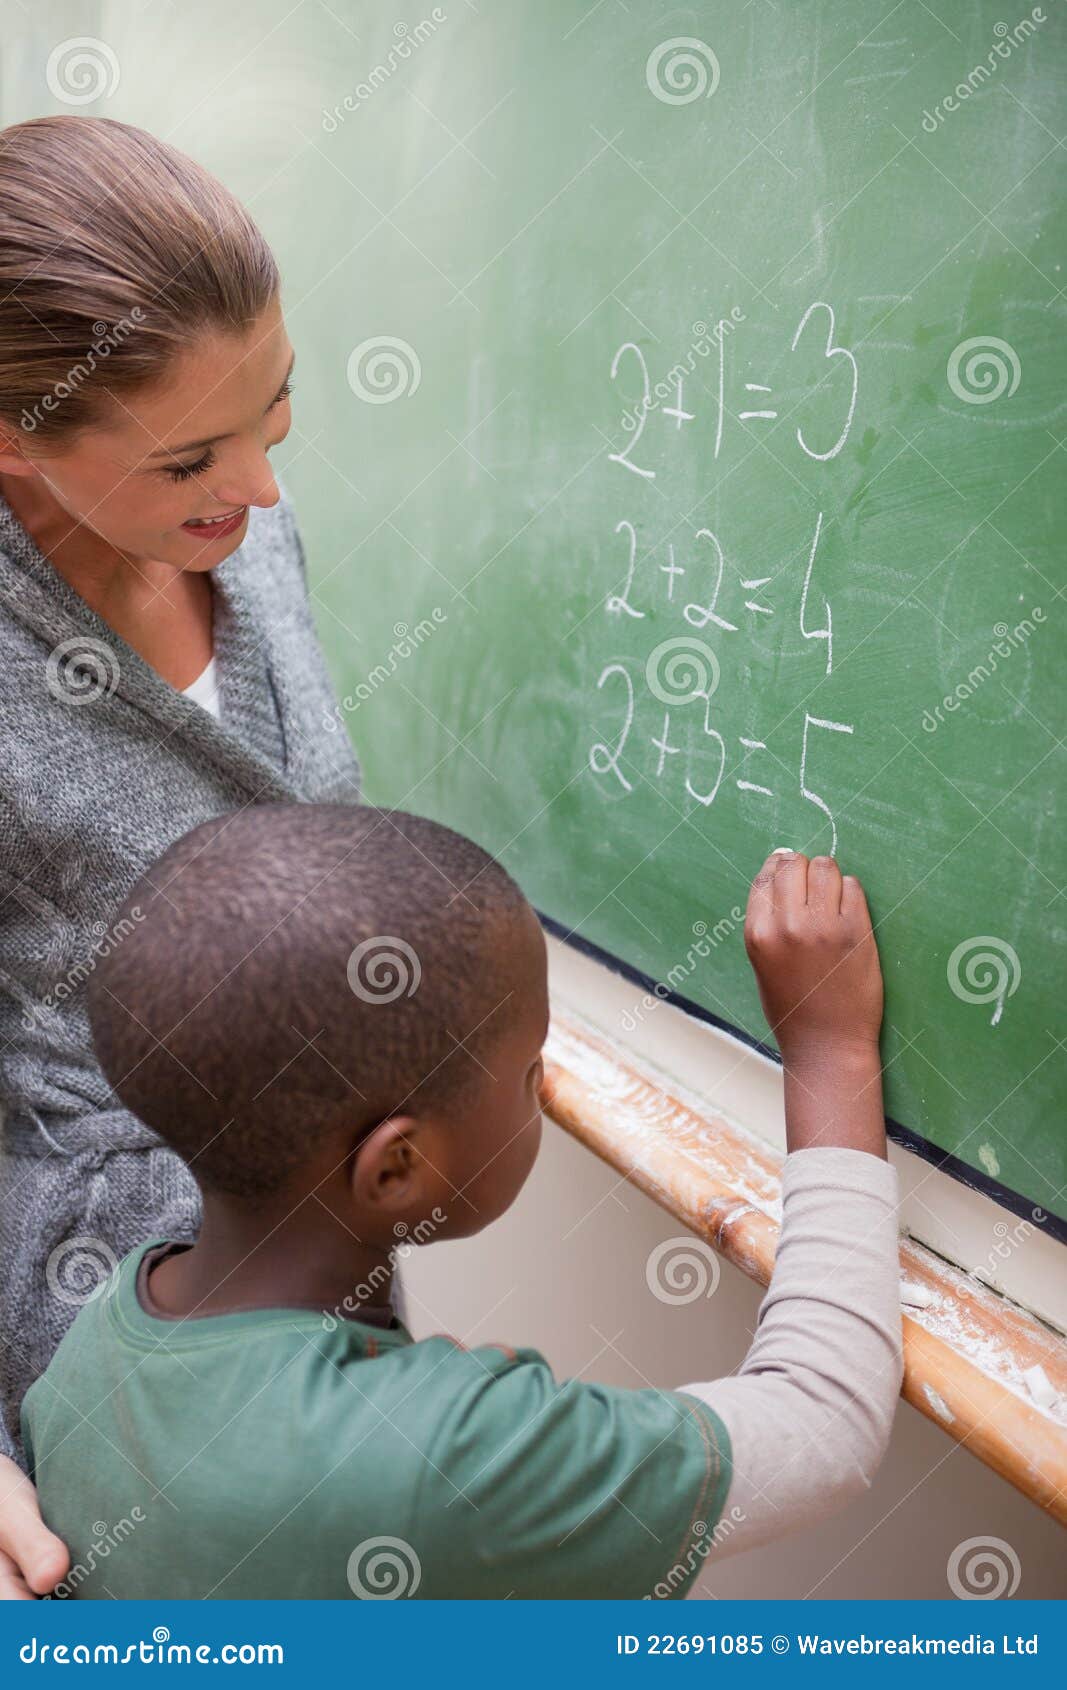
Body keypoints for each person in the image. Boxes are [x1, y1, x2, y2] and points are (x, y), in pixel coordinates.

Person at [23, 804, 903, 1598]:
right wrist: (829, 1055)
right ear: (396, 1169)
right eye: (528, 1072)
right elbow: (821, 1426)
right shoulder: (441, 1455)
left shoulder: (101, 1332)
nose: (547, 1086)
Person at [0, 114, 375, 1595]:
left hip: (318, 1275)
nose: (263, 495)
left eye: (277, 414)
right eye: (192, 459)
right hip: (105, 1353)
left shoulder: (238, 522)